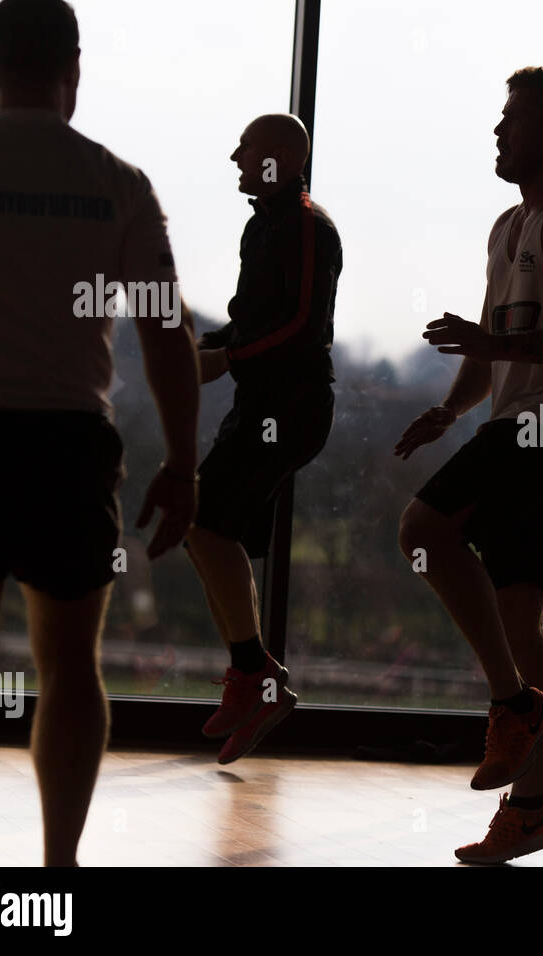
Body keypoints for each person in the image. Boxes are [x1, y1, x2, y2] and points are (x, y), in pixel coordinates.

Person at [0, 0, 199, 865]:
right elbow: (164, 335)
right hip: (67, 447)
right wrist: (185, 464)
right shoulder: (117, 183)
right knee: (71, 667)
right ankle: (58, 872)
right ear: (72, 64)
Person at [395, 67, 543, 864]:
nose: (499, 132)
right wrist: (453, 409)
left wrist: (497, 350)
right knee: (518, 612)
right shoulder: (508, 227)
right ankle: (532, 806)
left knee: (424, 528)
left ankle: (511, 704)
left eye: (514, 120)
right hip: (527, 427)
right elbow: (498, 337)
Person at [190, 114, 342, 765]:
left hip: (291, 406)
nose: (234, 157)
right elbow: (252, 319)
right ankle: (256, 680)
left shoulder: (308, 224)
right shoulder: (265, 223)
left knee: (203, 525)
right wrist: (209, 349)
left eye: (246, 147)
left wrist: (225, 359)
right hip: (263, 403)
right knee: (210, 531)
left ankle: (255, 677)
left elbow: (305, 324)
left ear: (281, 155)